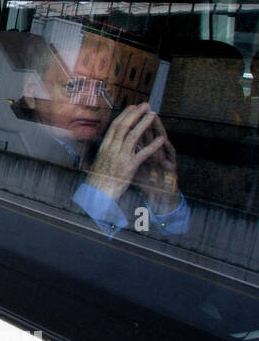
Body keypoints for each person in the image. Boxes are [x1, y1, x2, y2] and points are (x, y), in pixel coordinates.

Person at [20, 35, 188, 238]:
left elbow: (182, 247)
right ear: (31, 91)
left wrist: (161, 196)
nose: (93, 103)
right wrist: (101, 191)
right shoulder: (14, 148)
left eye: (104, 89)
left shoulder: (123, 157)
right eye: (72, 86)